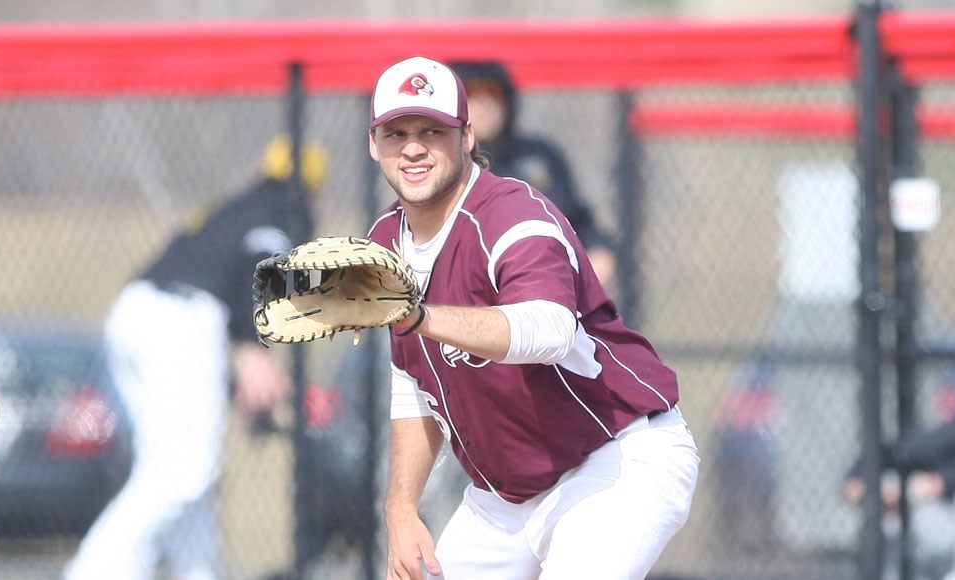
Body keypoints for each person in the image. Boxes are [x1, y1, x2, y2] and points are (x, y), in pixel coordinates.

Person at [366, 55, 699, 580]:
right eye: (396, 132)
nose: (412, 147)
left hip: (614, 457)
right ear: (374, 144)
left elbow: (548, 329)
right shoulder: (384, 241)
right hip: (505, 496)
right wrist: (401, 507)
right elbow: (413, 377)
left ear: (467, 136)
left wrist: (418, 316)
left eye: (433, 130)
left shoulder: (512, 215)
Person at [63, 137, 326, 580]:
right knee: (184, 472)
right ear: (313, 190)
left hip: (138, 312)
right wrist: (251, 348)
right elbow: (260, 257)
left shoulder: (241, 203)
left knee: (181, 478)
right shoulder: (282, 208)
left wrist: (235, 370)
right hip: (181, 319)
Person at [448, 60, 618, 290]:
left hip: (555, 287)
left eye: (492, 93)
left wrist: (599, 250)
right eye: (472, 95)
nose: (484, 104)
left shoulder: (539, 155)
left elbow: (578, 220)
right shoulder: (446, 164)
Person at [843, 390, 955, 580]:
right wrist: (864, 484)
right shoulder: (938, 436)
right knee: (895, 512)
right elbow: (897, 452)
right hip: (932, 527)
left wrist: (942, 482)